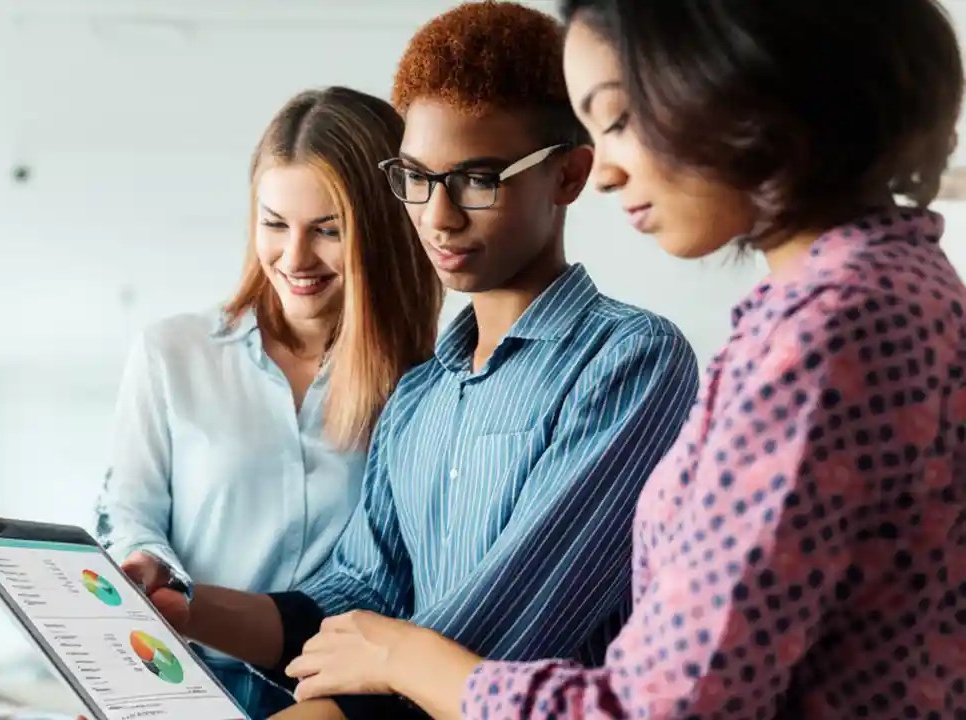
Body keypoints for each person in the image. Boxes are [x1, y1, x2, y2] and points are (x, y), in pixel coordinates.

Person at [281, 1, 966, 718]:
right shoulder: (892, 288)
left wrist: (406, 658)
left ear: (744, 90)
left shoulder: (821, 333)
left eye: (618, 120)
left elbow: (662, 707)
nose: (604, 172)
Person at [126, 4, 701, 720]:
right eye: (418, 178)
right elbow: (356, 599)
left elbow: (497, 644)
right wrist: (182, 607)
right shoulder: (419, 396)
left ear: (568, 175)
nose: (438, 215)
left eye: (478, 179)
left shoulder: (630, 360)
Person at [93, 86, 443, 719]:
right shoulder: (174, 352)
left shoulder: (423, 385)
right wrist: (149, 568)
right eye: (274, 223)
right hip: (177, 682)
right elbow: (126, 514)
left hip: (331, 702)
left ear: (384, 229)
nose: (295, 257)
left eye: (328, 230)